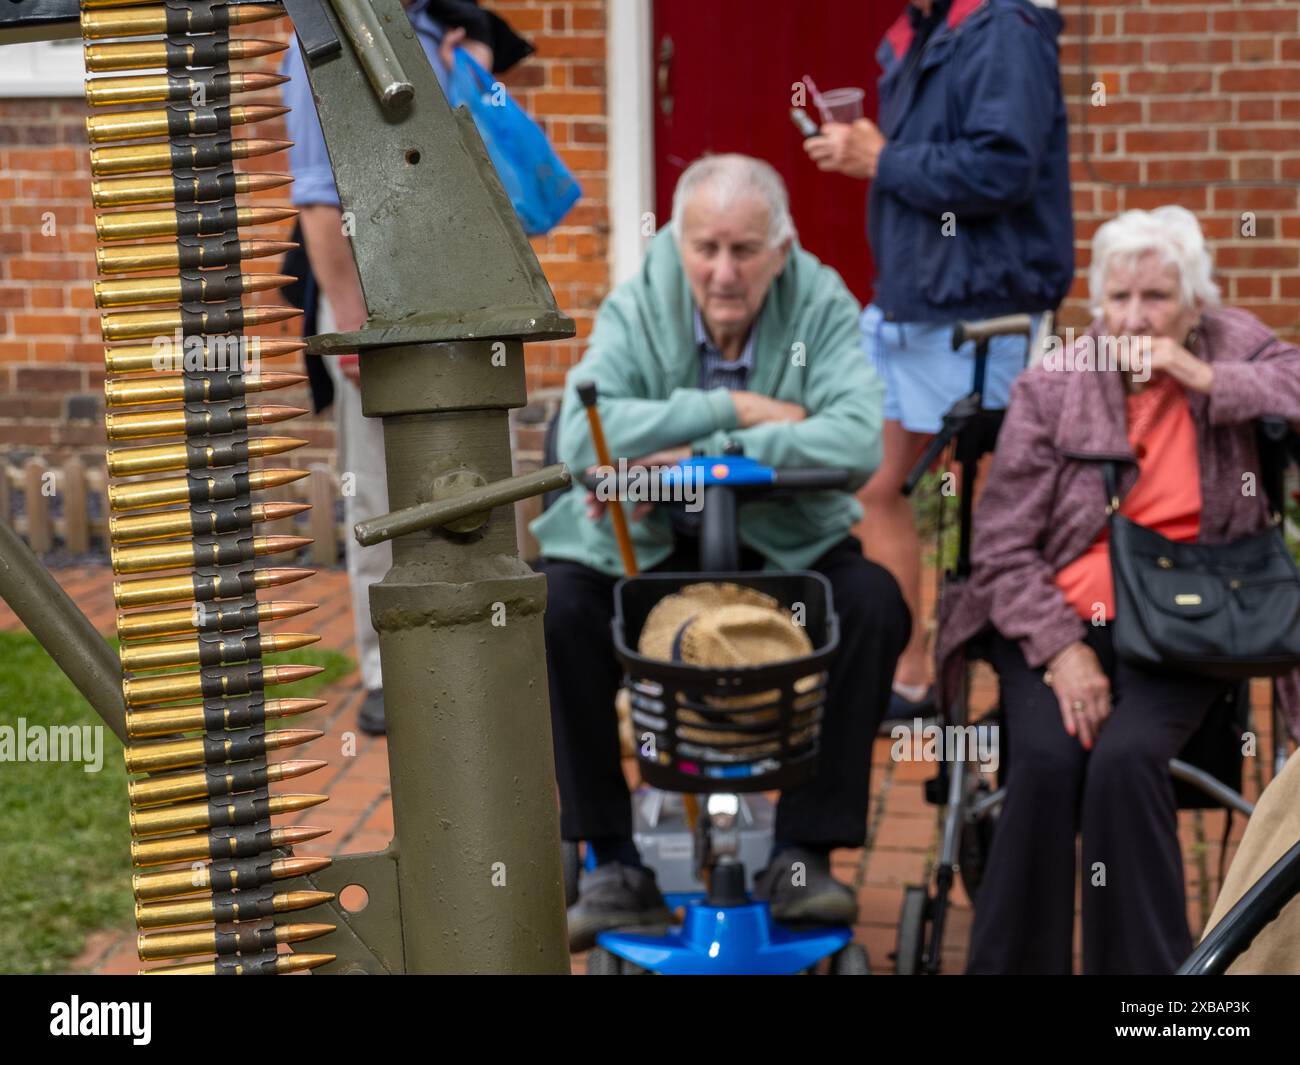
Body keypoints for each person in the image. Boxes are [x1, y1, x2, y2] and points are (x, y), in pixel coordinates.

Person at [530, 154, 911, 951]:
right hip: (648, 543)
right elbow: (581, 433)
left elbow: (853, 440)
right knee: (560, 609)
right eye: (705, 248)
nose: (723, 272)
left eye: (744, 251)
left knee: (873, 602)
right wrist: (732, 404)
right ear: (678, 242)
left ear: (783, 249)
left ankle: (804, 855)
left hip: (783, 542)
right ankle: (611, 861)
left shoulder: (823, 298)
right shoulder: (644, 297)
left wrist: (702, 448)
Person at [934, 206, 1300, 974]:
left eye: (1157, 297)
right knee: (1041, 761)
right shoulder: (1055, 382)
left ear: (1195, 302)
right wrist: (1064, 651)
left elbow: (1289, 387)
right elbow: (1001, 543)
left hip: (1188, 624)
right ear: (1098, 303)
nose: (1136, 318)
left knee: (1126, 762)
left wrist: (1204, 379)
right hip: (1054, 618)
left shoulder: (1230, 345)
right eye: (1120, 298)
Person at [803, 0, 1073, 718]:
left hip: (985, 310)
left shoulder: (1006, 29)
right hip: (904, 306)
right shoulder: (925, 29)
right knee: (872, 482)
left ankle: (996, 691)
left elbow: (1005, 168)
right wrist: (867, 155)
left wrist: (882, 157)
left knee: (989, 514)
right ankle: (912, 675)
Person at [281, 1, 526, 734]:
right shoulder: (330, 32)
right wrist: (357, 323)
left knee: (476, 484)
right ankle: (391, 672)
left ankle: (477, 647)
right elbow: (319, 197)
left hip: (460, 304)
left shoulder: (438, 24)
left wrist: (473, 57)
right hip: (377, 303)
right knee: (382, 495)